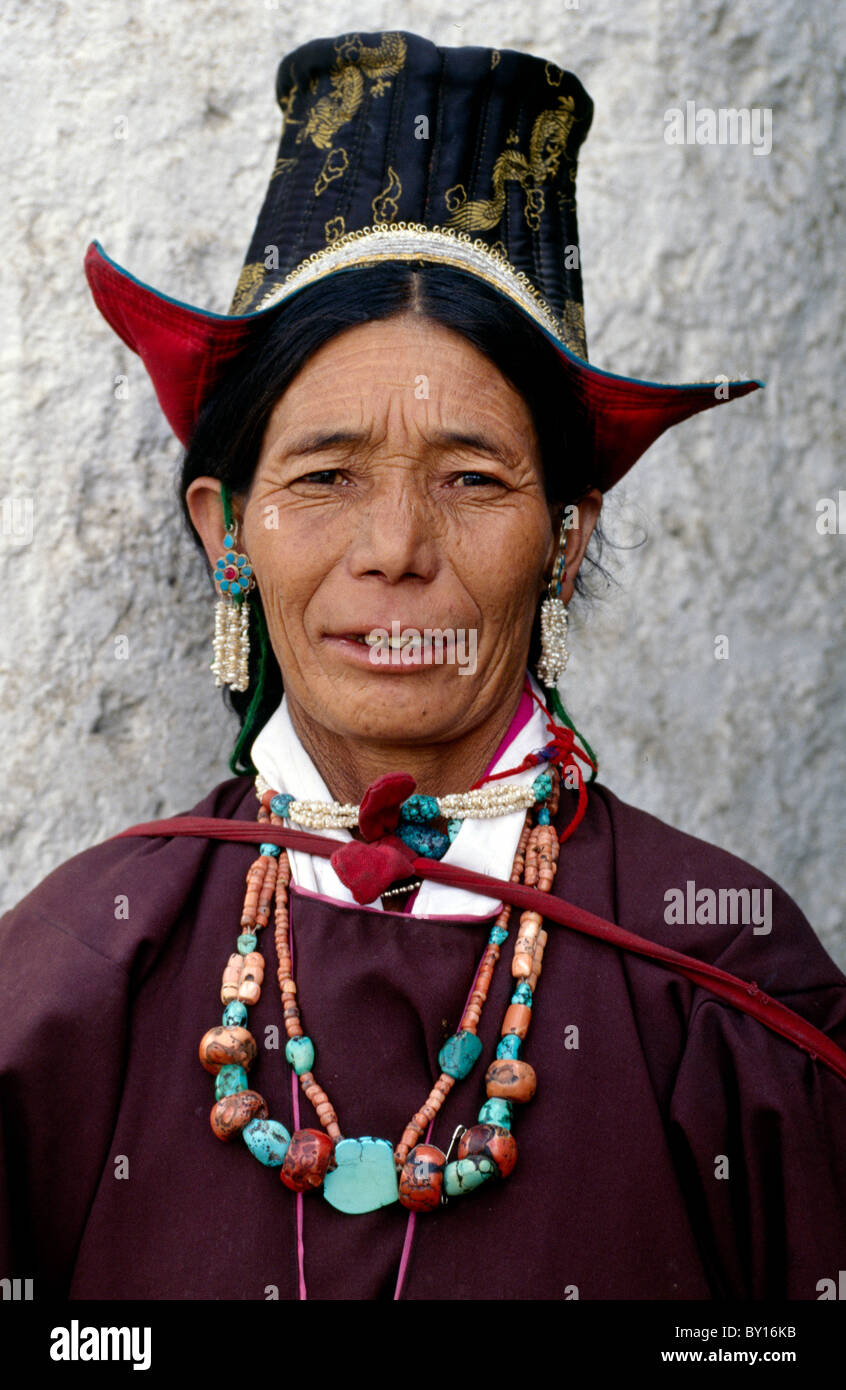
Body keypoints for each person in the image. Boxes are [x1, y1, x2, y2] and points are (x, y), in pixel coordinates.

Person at [1, 28, 844, 1303]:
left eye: (472, 479)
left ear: (566, 542)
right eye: (326, 477)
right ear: (228, 532)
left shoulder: (726, 998)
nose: (396, 551)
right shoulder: (73, 982)